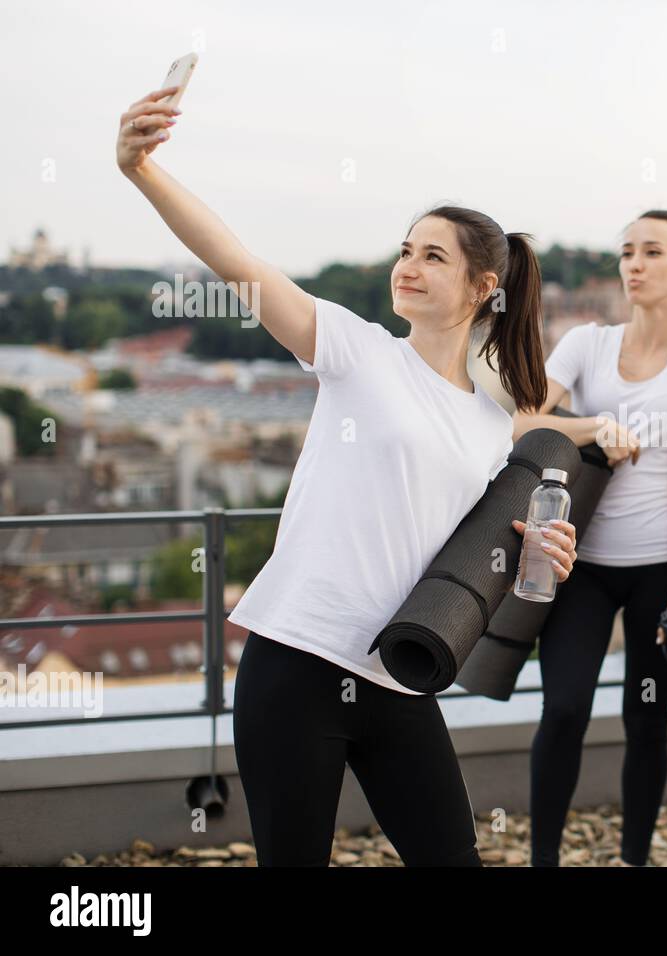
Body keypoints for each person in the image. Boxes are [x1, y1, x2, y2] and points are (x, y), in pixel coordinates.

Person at [116, 84, 579, 866]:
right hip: (297, 661)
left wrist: (538, 552)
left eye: (434, 256)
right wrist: (143, 172)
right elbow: (240, 265)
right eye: (405, 248)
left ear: (482, 287)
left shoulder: (491, 429)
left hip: (399, 678)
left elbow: (472, 552)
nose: (409, 265)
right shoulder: (356, 350)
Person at [513, 210, 667, 866]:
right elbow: (524, 420)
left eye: (652, 253)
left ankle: (635, 857)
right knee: (565, 710)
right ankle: (542, 860)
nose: (634, 264)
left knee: (647, 722)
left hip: (658, 570)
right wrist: (596, 427)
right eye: (627, 252)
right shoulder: (586, 345)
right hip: (578, 565)